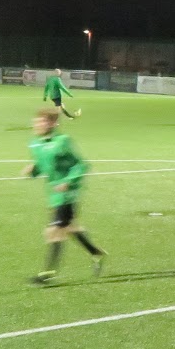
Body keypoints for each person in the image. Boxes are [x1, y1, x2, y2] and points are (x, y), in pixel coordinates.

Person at [23, 108, 105, 284]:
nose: (37, 125)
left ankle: (48, 272)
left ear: (53, 123)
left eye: (42, 122)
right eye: (36, 122)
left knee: (53, 231)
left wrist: (68, 181)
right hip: (53, 192)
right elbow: (43, 165)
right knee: (69, 227)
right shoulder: (35, 144)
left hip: (68, 193)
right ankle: (96, 253)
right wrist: (33, 170)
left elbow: (81, 165)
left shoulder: (62, 141)